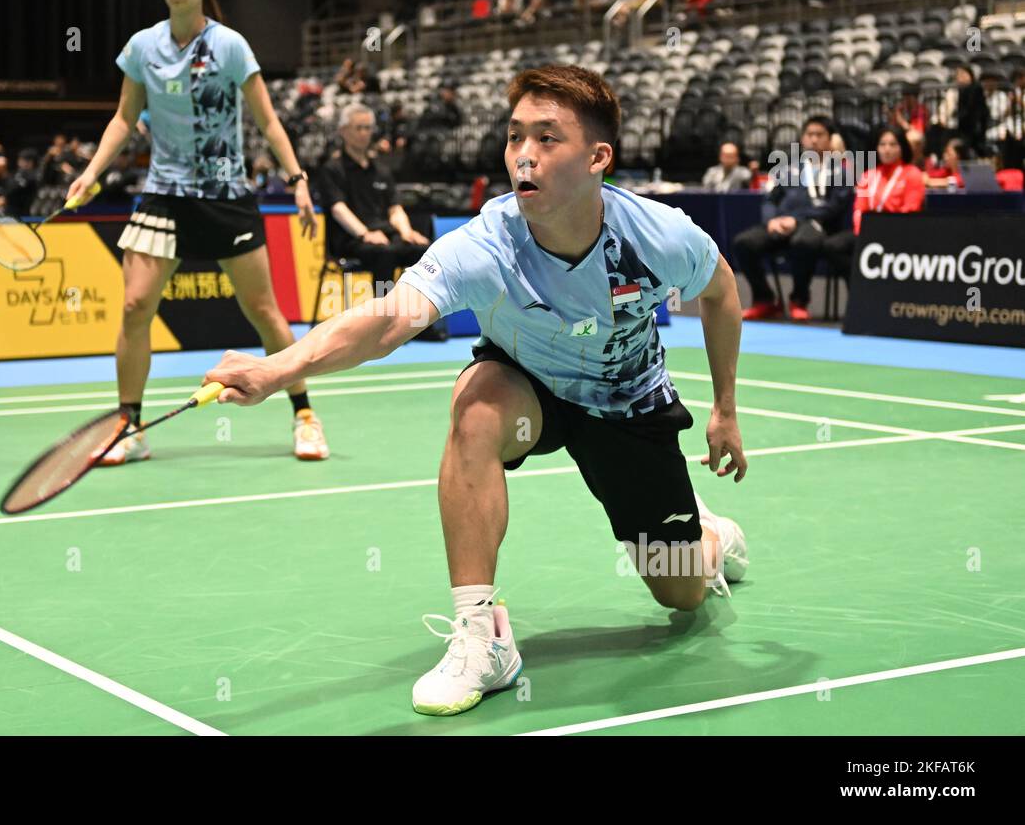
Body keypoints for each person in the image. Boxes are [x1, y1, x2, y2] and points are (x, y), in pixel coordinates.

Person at [203, 64, 749, 717]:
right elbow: (386, 321)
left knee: (680, 595)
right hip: (532, 388)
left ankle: (710, 536)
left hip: (626, 405)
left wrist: (724, 408)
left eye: (548, 138)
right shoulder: (487, 242)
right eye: (515, 135)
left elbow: (722, 294)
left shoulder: (656, 234)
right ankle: (481, 636)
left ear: (598, 157)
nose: (524, 153)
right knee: (475, 409)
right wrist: (275, 371)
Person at [64, 0, 330, 463]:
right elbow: (123, 118)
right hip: (163, 193)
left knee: (263, 311)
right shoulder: (142, 47)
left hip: (225, 194)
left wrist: (297, 179)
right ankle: (129, 426)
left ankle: (304, 414)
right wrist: (91, 172)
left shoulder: (230, 45)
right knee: (136, 306)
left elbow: (268, 120)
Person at [733, 116, 852, 321]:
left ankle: (799, 299)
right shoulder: (790, 168)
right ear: (803, 138)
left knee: (804, 241)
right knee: (744, 243)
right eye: (809, 134)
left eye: (820, 134)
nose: (814, 139)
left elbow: (835, 208)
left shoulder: (840, 170)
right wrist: (771, 220)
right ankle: (765, 299)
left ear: (830, 139)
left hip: (816, 226)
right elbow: (770, 199)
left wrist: (796, 220)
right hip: (781, 223)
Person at [316, 103, 430, 291]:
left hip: (385, 236)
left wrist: (407, 232)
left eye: (368, 128)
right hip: (351, 241)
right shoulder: (332, 169)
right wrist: (365, 234)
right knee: (386, 254)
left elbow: (395, 209)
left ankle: (421, 319)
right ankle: (384, 314)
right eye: (358, 128)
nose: (364, 133)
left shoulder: (381, 170)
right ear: (343, 131)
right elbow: (338, 209)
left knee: (423, 250)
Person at [823, 127, 925, 279]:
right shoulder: (868, 175)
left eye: (892, 145)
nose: (887, 149)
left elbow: (910, 212)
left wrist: (884, 231)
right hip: (866, 233)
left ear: (902, 147)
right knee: (831, 246)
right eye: (882, 145)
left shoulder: (913, 174)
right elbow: (859, 209)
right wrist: (861, 231)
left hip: (898, 235)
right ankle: (857, 285)